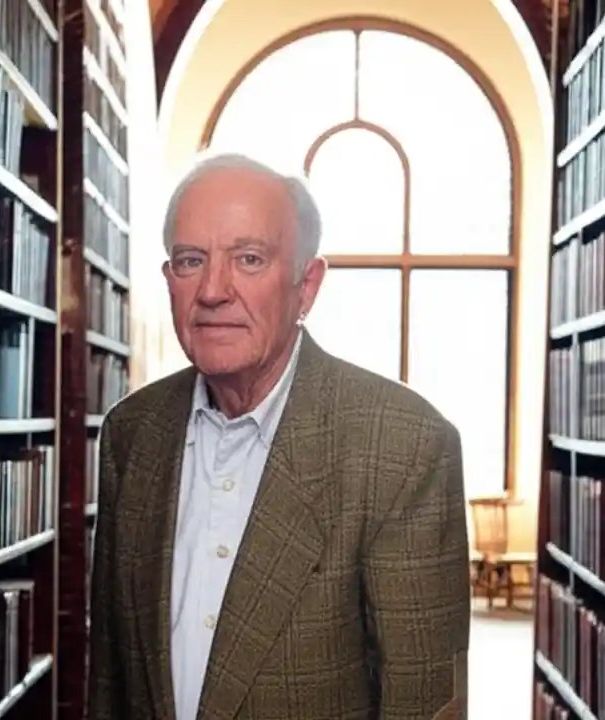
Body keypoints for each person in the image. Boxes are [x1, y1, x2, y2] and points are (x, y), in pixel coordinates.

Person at [88, 151, 470, 720]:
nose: (213, 290)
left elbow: (421, 701)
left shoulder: (404, 446)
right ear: (169, 280)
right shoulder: (131, 433)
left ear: (306, 286)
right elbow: (110, 684)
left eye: (248, 259)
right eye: (191, 260)